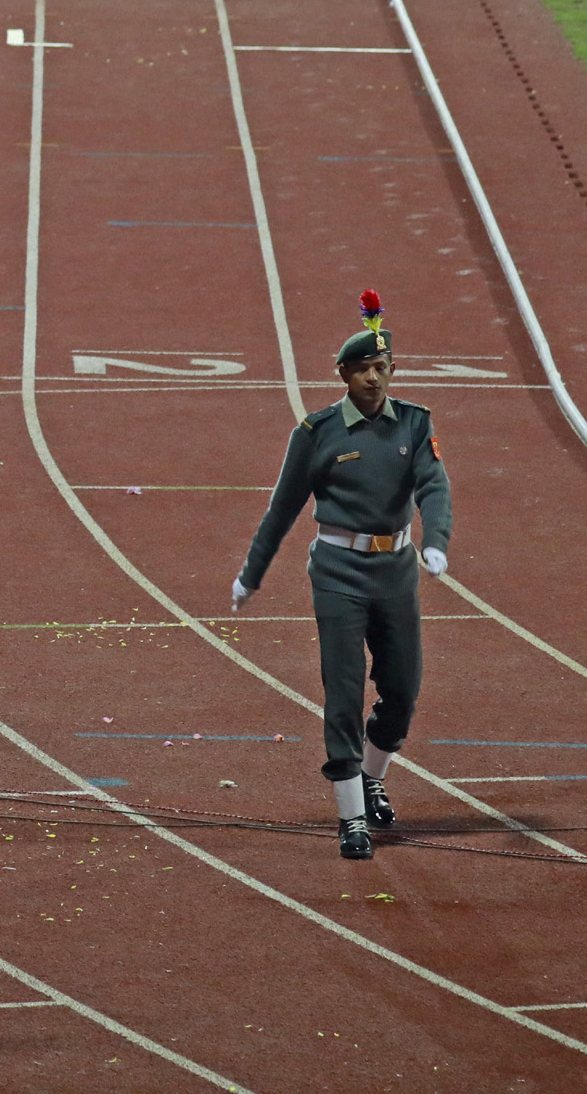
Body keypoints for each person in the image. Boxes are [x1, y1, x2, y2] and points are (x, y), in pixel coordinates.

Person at [231, 293, 453, 860]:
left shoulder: (415, 423)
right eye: (362, 370)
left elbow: (433, 485)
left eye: (382, 368)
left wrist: (436, 544)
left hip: (397, 571)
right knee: (344, 691)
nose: (374, 379)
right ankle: (352, 816)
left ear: (392, 371)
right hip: (338, 571)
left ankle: (375, 775)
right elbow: (282, 508)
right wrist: (251, 575)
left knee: (402, 691)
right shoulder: (318, 432)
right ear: (344, 375)